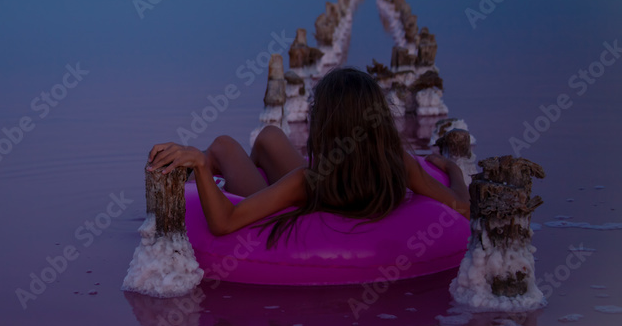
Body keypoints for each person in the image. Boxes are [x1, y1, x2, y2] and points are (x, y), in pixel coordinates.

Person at [146, 67, 470, 247]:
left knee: (222, 145)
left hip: (299, 204)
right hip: (339, 181)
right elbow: (461, 205)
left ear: (326, 126)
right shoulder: (398, 162)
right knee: (270, 137)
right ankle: (234, 165)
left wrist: (202, 168)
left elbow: (223, 223)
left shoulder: (307, 182)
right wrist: (453, 169)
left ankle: (214, 166)